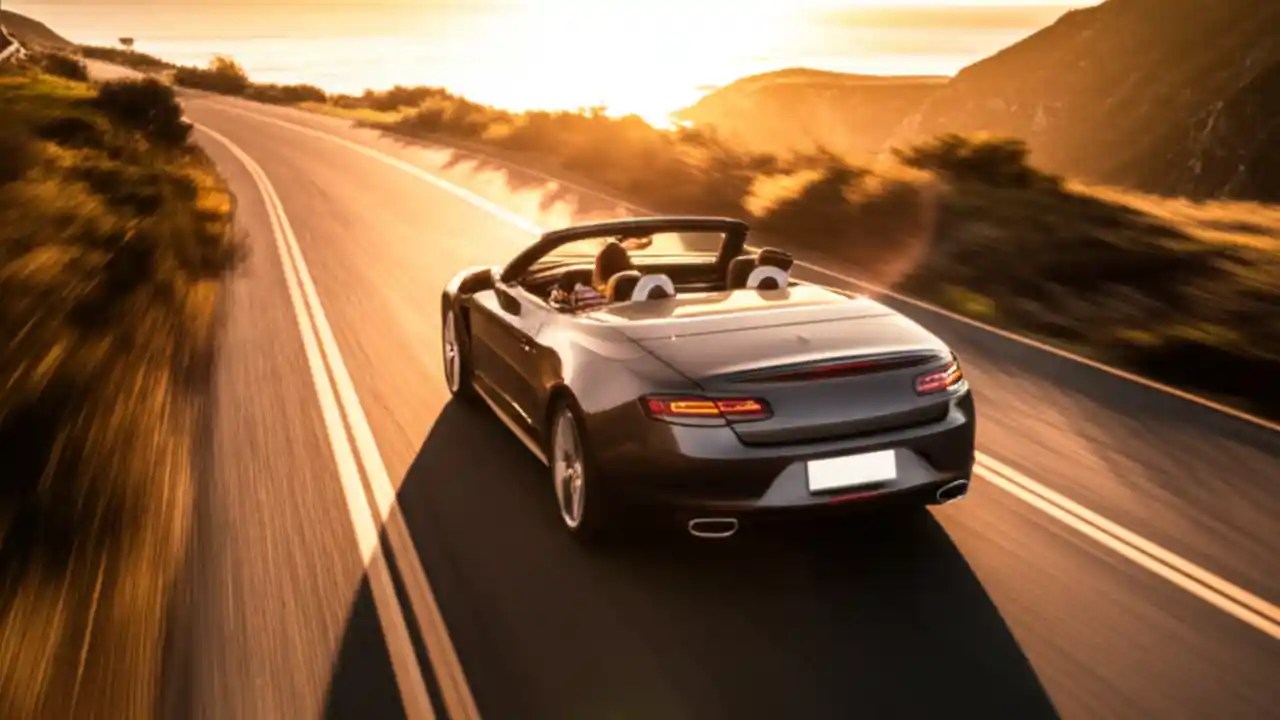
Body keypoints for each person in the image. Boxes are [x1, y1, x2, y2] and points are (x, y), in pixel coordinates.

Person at [552, 239, 633, 310]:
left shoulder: (583, 294)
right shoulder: (636, 292)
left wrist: (561, 300)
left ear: (599, 269)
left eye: (596, 266)